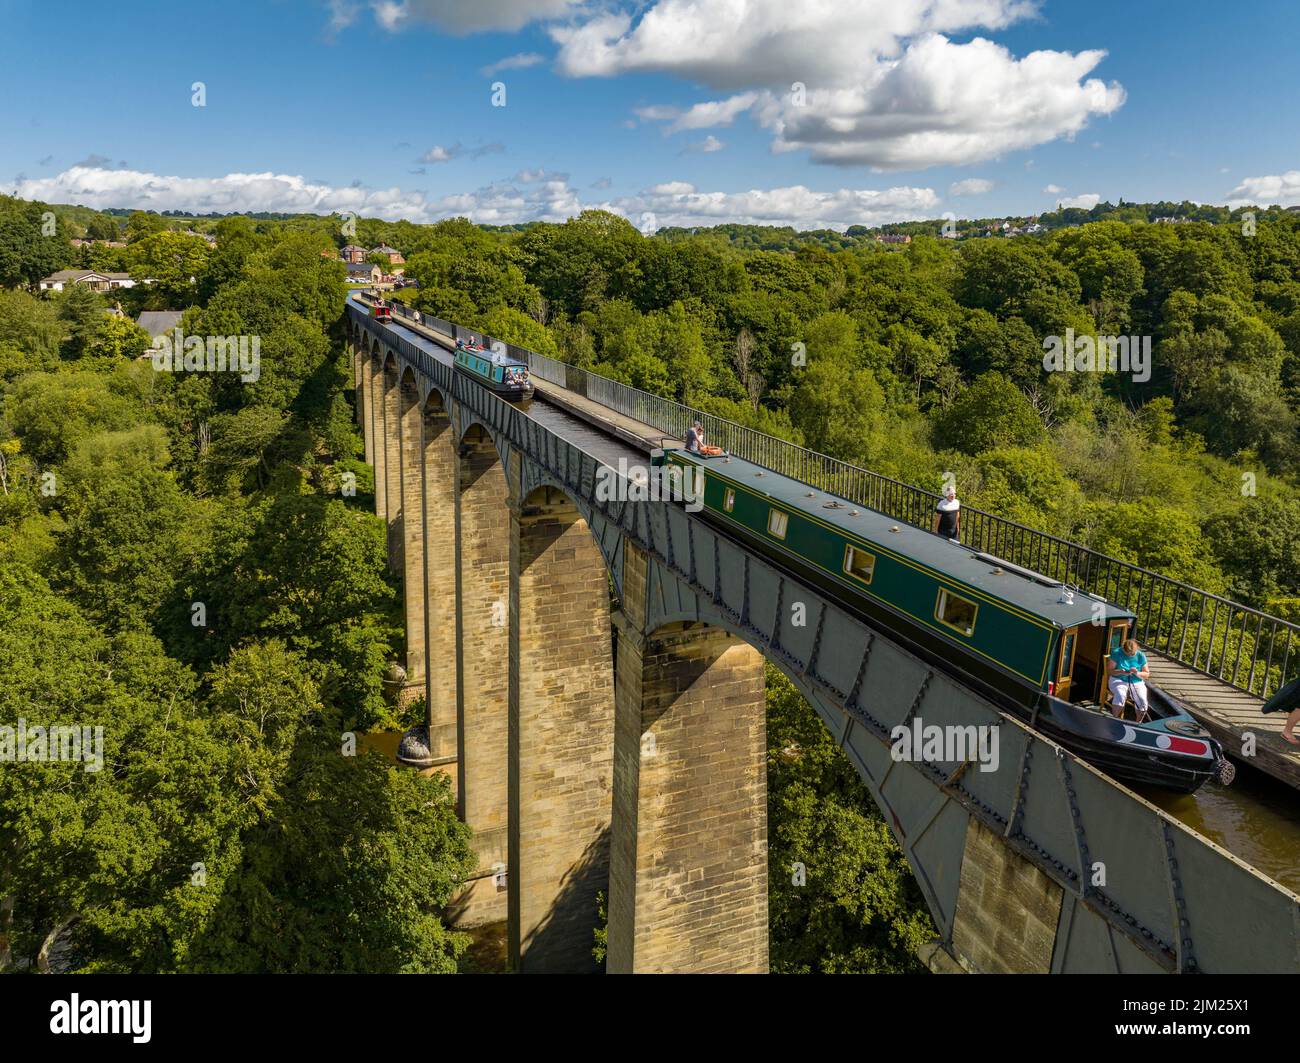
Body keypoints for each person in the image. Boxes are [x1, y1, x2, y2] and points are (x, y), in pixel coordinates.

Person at [1106, 638, 1150, 720]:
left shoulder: (1141, 655)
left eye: (1132, 654)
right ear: (1123, 649)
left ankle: (1138, 723)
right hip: (1119, 679)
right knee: (1120, 695)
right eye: (1127, 653)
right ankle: (1114, 718)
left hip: (1136, 682)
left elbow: (1147, 674)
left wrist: (1137, 673)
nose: (1130, 655)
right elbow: (1110, 671)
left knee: (1142, 699)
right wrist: (1120, 671)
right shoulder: (1116, 653)